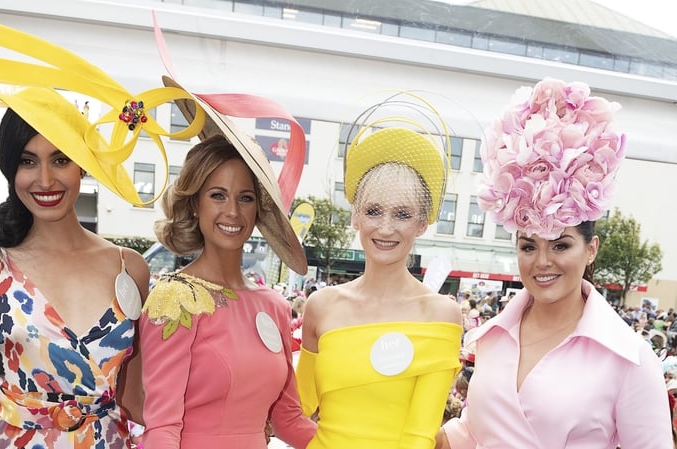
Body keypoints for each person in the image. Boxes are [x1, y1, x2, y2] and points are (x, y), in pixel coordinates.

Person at [0, 0, 211, 447]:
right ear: (11, 170)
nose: (45, 180)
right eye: (28, 162)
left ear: (83, 166)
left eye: (60, 159)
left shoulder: (131, 268)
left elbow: (138, 400)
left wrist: (236, 407)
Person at [437, 78, 672, 448]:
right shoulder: (493, 337)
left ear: (591, 248)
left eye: (560, 246)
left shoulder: (629, 356)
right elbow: (476, 431)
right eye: (528, 246)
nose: (542, 262)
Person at [140, 80, 316, 447]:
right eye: (217, 195)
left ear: (258, 210)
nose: (232, 211)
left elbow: (288, 419)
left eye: (245, 198)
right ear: (194, 203)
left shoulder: (276, 306)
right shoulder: (174, 298)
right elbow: (162, 427)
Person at [295, 95, 462, 449]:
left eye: (402, 214)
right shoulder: (321, 305)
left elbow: (419, 435)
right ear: (355, 215)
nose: (385, 228)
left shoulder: (441, 313)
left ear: (422, 223)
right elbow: (297, 407)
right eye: (373, 211)